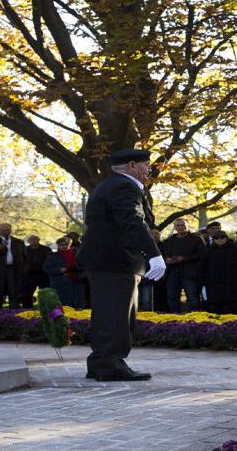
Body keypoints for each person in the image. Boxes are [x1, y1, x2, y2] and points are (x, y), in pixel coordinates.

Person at [76, 149, 165, 381]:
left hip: (106, 260)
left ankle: (100, 362)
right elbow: (132, 221)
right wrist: (154, 254)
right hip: (115, 260)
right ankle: (111, 365)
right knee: (118, 315)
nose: (149, 170)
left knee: (107, 313)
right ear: (133, 165)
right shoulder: (123, 186)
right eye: (147, 165)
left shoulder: (110, 185)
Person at [198, 231, 237, 313]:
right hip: (214, 286)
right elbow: (202, 268)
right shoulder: (208, 251)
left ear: (226, 238)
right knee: (215, 310)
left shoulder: (236, 249)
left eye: (222, 237)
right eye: (217, 238)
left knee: (233, 310)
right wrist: (202, 282)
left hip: (233, 285)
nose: (220, 240)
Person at [162, 218, 205, 312]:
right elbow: (163, 254)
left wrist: (184, 258)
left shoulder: (196, 239)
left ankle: (193, 319)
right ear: (175, 227)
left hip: (189, 273)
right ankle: (175, 318)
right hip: (173, 273)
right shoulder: (169, 240)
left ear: (187, 226)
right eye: (178, 225)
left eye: (182, 225)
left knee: (192, 298)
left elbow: (201, 254)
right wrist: (167, 260)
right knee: (172, 297)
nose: (180, 227)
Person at [0, 222, 27, 309]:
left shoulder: (19, 242)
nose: (5, 231)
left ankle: (15, 313)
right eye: (3, 230)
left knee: (14, 292)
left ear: (11, 230)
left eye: (7, 230)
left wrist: (23, 269)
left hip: (14, 270)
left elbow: (25, 257)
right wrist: (1, 247)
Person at [44, 237, 83, 308]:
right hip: (60, 283)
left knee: (76, 301)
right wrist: (59, 270)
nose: (64, 246)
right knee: (60, 302)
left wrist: (76, 268)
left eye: (66, 245)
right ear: (58, 245)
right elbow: (46, 268)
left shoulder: (75, 255)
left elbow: (81, 266)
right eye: (62, 245)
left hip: (75, 281)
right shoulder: (53, 256)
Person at [22, 234, 53, 306]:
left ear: (39, 240)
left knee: (45, 293)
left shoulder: (46, 249)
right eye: (31, 240)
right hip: (29, 274)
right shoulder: (24, 250)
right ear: (28, 241)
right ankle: (27, 308)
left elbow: (50, 261)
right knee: (27, 293)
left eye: (35, 239)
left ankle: (45, 307)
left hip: (43, 274)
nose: (34, 241)